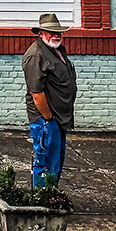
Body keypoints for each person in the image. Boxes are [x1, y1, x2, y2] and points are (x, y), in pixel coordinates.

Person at [22, 13, 77, 187]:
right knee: (45, 162)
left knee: (57, 160)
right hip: (46, 119)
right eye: (50, 31)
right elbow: (36, 93)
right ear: (40, 33)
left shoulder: (57, 50)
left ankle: (51, 196)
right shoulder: (36, 55)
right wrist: (48, 118)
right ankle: (42, 200)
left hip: (60, 117)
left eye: (58, 31)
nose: (56, 35)